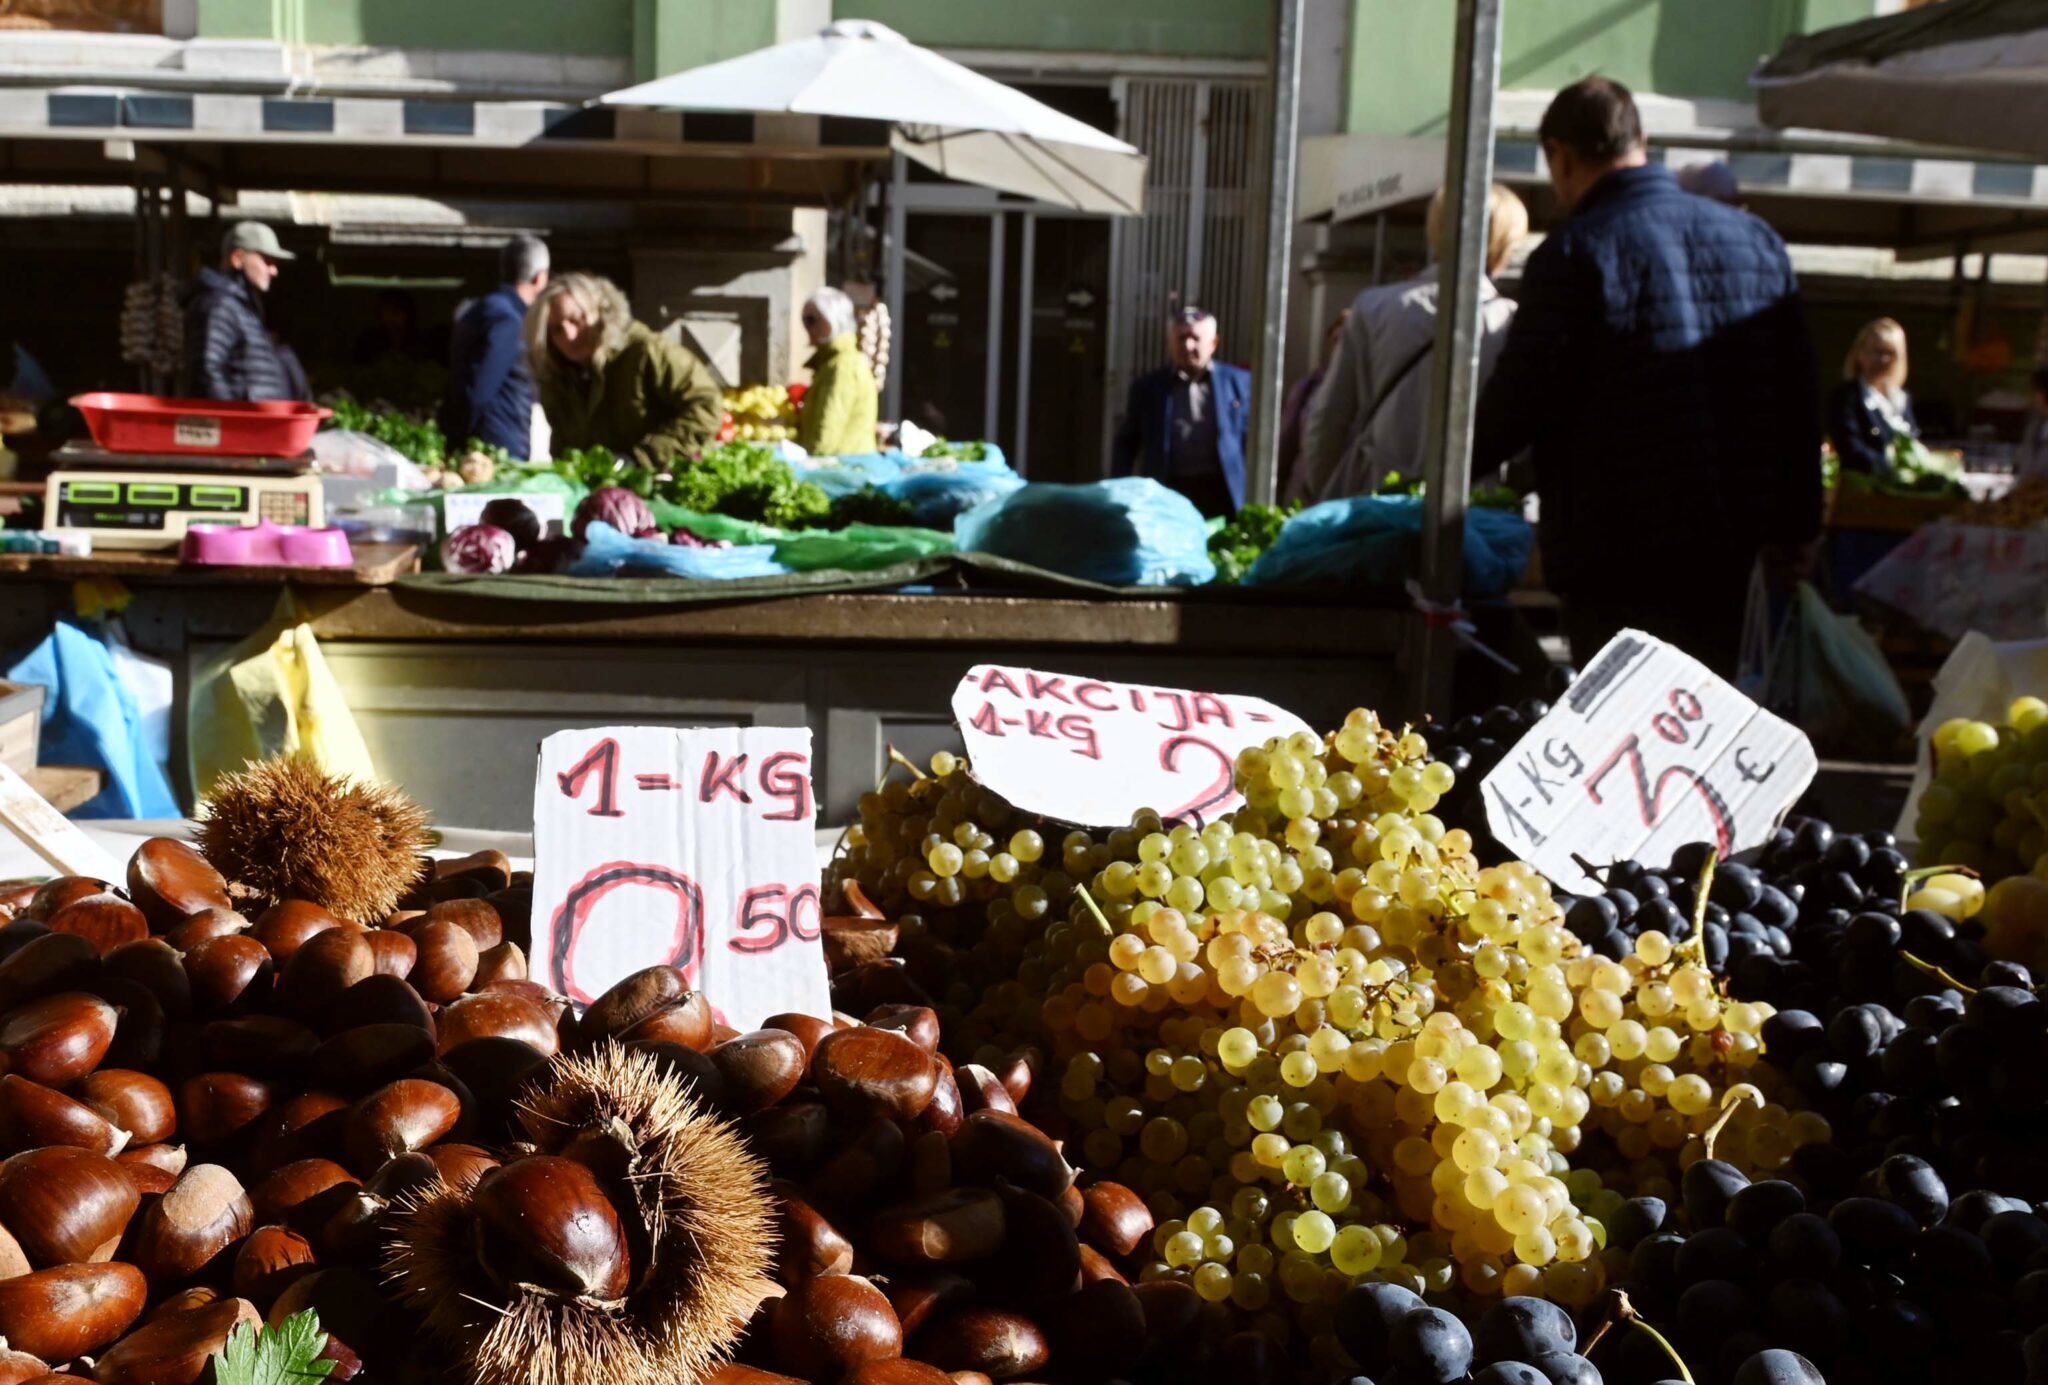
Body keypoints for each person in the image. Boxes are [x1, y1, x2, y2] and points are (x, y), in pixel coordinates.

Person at [1471, 76, 1821, 679]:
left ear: (1560, 155)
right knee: (1707, 726)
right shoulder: (1756, 241)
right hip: (1733, 547)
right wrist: (1798, 528)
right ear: (1643, 140)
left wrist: (1439, 478)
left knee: (1624, 740)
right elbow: (1798, 396)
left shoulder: (1574, 253)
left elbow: (1518, 402)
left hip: (1616, 555)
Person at [1293, 183, 1528, 504]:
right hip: (1472, 511)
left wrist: (1327, 496)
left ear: (1435, 230)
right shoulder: (1510, 322)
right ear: (1505, 244)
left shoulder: (1373, 308)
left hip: (1376, 503)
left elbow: (1327, 421)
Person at [527, 271, 723, 467]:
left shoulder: (647, 351)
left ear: (599, 314)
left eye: (576, 320)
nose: (569, 335)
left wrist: (646, 456)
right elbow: (564, 449)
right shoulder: (558, 379)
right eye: (556, 330)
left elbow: (706, 405)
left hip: (662, 481)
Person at [1111, 308, 1252, 517]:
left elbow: (1253, 438)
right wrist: (1119, 494)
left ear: (1213, 343)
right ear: (1170, 343)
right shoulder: (1148, 388)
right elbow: (1127, 443)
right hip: (1169, 491)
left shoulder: (1239, 382)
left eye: (1195, 338)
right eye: (1181, 338)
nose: (1188, 346)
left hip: (1222, 491)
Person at [443, 236, 549, 457]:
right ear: (540, 278)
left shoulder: (479, 310)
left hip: (481, 443)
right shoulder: (508, 320)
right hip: (498, 447)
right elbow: (481, 388)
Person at [183, 222, 300, 402]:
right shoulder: (219, 306)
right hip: (241, 427)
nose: (274, 270)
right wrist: (235, 421)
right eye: (267, 261)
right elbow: (206, 371)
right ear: (238, 258)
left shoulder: (241, 307)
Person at [1828, 317, 1917, 477]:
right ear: (1861, 354)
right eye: (1877, 352)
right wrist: (1886, 468)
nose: (1884, 360)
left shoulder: (1901, 399)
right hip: (1860, 488)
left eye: (1890, 353)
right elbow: (1850, 448)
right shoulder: (1847, 397)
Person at [796, 287, 879, 456]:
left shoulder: (842, 366)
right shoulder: (832, 363)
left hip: (841, 471)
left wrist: (810, 468)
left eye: (811, 320)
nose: (806, 327)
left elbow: (828, 430)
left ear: (831, 320)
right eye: (804, 320)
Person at [1277, 311, 1348, 490]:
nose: (1340, 349)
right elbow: (1286, 442)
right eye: (1336, 341)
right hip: (1306, 490)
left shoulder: (1372, 389)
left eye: (1346, 342)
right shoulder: (1308, 387)